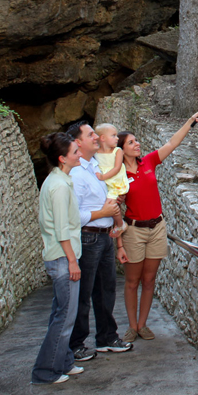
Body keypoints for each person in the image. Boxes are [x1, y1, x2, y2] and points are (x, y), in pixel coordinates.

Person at [117, 109, 198, 342]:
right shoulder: (118, 175)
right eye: (131, 142)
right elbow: (114, 204)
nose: (137, 144)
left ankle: (143, 324)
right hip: (133, 230)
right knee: (132, 281)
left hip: (157, 227)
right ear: (121, 149)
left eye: (136, 140)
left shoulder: (148, 161)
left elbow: (172, 143)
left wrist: (190, 122)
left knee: (149, 280)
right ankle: (132, 326)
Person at [66, 122, 132, 361]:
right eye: (90, 134)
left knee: (106, 291)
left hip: (104, 237)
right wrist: (103, 213)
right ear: (78, 142)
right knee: (84, 293)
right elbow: (74, 216)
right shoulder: (75, 174)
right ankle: (75, 344)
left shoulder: (94, 166)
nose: (95, 137)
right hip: (89, 235)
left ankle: (106, 337)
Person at [31, 133, 85, 385]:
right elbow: (63, 230)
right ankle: (46, 371)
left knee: (61, 313)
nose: (80, 154)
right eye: (75, 151)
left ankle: (64, 362)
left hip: (60, 257)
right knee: (65, 317)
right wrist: (73, 262)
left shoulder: (57, 180)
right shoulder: (60, 186)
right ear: (62, 158)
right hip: (64, 259)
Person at [93, 123, 130, 201]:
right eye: (113, 135)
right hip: (103, 182)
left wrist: (103, 177)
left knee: (114, 202)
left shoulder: (117, 151)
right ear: (103, 138)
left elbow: (117, 168)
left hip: (115, 180)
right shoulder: (96, 153)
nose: (117, 138)